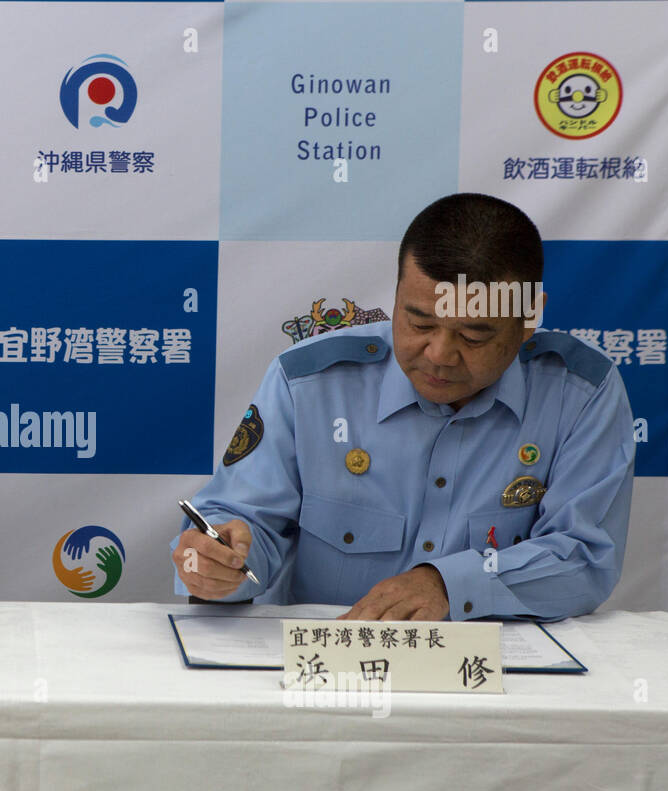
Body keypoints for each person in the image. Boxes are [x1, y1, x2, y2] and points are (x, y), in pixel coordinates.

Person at [172, 193, 634, 621]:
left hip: (494, 679)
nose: (438, 354)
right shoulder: (311, 383)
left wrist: (451, 586)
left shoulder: (581, 393)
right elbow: (240, 524)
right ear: (395, 298)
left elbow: (586, 556)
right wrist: (216, 563)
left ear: (530, 317)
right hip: (325, 675)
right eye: (419, 323)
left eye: (474, 336)